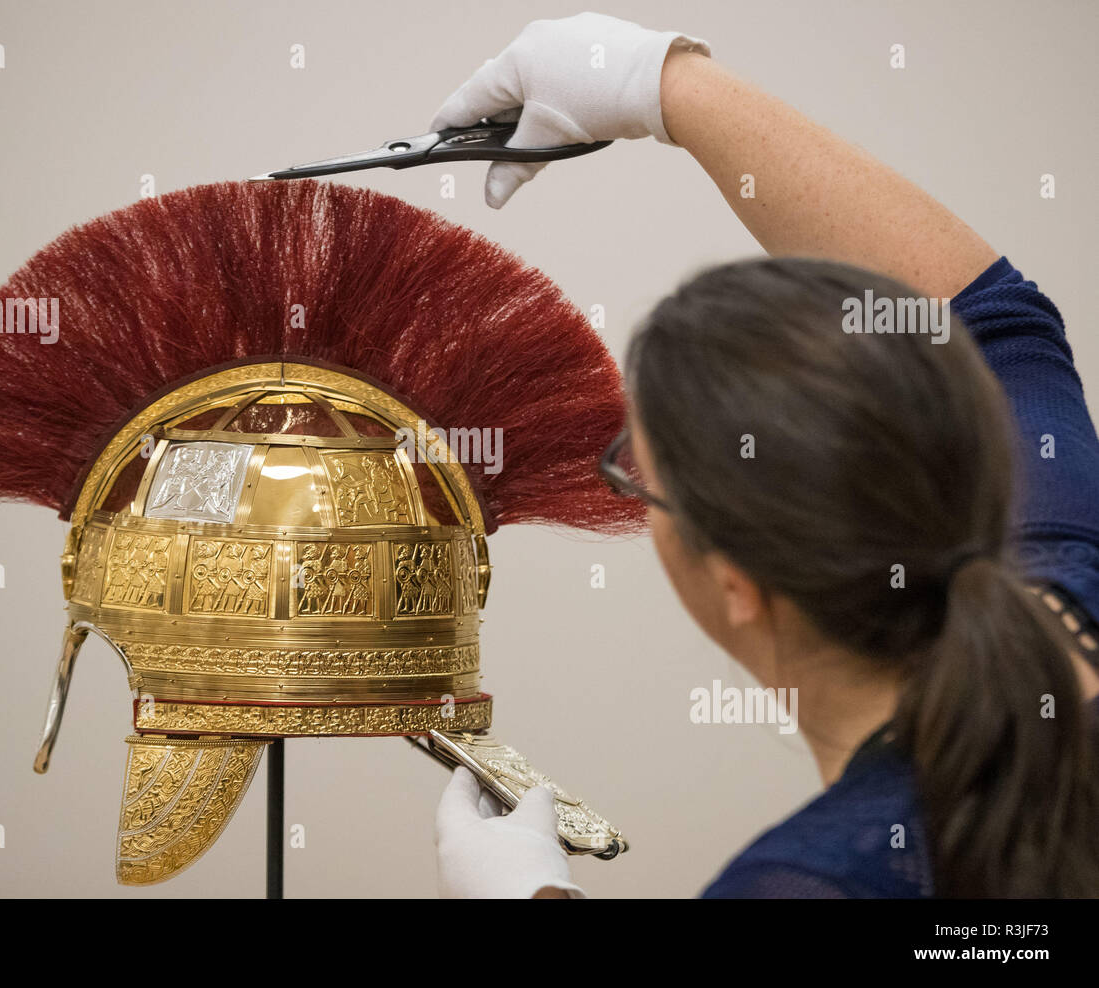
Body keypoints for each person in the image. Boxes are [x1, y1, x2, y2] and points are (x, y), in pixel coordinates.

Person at [432, 13, 1099, 899]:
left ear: (740, 584)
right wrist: (659, 81)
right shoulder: (1068, 571)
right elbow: (989, 322)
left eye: (636, 474)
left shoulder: (806, 881)